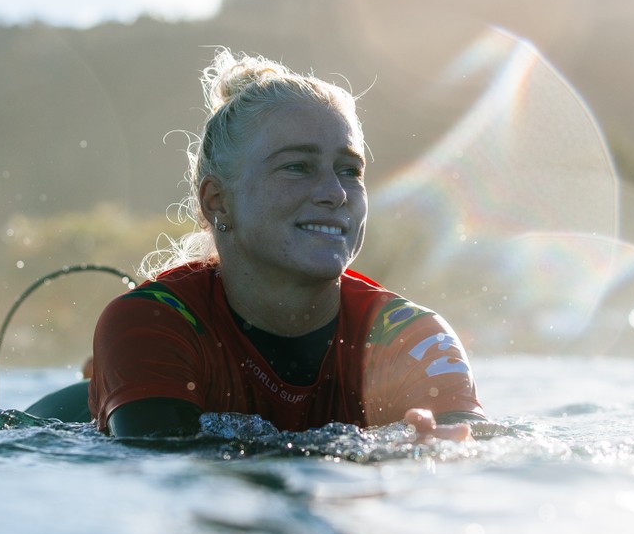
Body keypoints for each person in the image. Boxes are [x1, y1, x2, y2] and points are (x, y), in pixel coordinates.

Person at [83, 48, 486, 440]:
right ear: (217, 201)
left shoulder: (412, 338)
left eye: (349, 170)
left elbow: (479, 457)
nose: (335, 192)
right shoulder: (153, 323)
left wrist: (436, 456)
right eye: (297, 167)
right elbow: (164, 472)